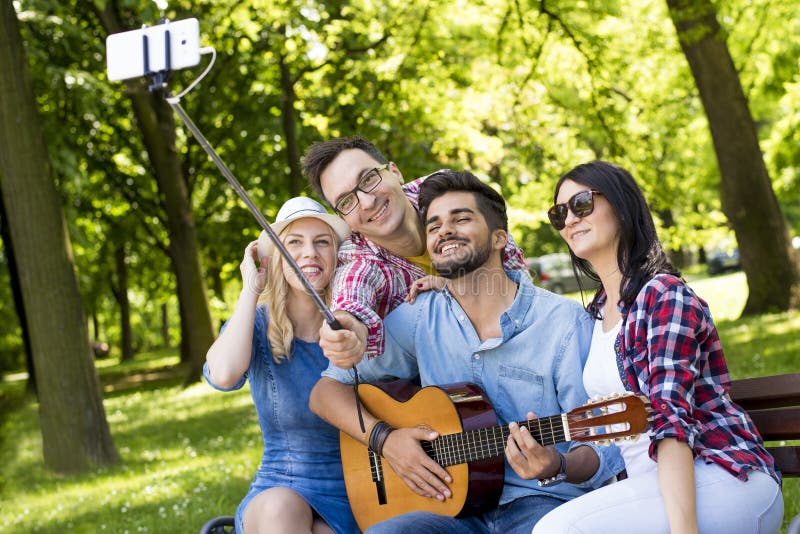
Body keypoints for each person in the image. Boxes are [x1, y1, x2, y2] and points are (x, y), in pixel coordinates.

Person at [309, 170, 624, 533]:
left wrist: (556, 465)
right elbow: (325, 392)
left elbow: (605, 446)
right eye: (434, 226)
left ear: (498, 239)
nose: (444, 231)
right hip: (451, 509)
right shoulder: (419, 318)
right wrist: (386, 439)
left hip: (542, 506)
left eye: (461, 219)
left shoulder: (564, 323)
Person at [533, 161, 784, 534]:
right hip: (650, 487)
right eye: (559, 212)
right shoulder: (596, 313)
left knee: (558, 530)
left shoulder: (663, 295)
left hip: (723, 475)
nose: (569, 219)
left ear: (620, 204)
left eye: (581, 203)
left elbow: (672, 422)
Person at [204, 197, 360, 534]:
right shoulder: (258, 324)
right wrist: (251, 288)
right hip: (279, 493)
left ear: (337, 254)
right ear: (277, 257)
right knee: (282, 509)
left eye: (322, 242)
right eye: (294, 242)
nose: (309, 253)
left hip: (360, 493)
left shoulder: (356, 326)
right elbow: (223, 374)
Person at [301, 136, 528, 367]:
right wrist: (347, 328)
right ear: (344, 219)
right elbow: (351, 296)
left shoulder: (447, 193)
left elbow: (515, 276)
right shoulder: (359, 259)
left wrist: (455, 288)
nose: (367, 202)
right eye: (346, 202)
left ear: (395, 172)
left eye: (369, 178)